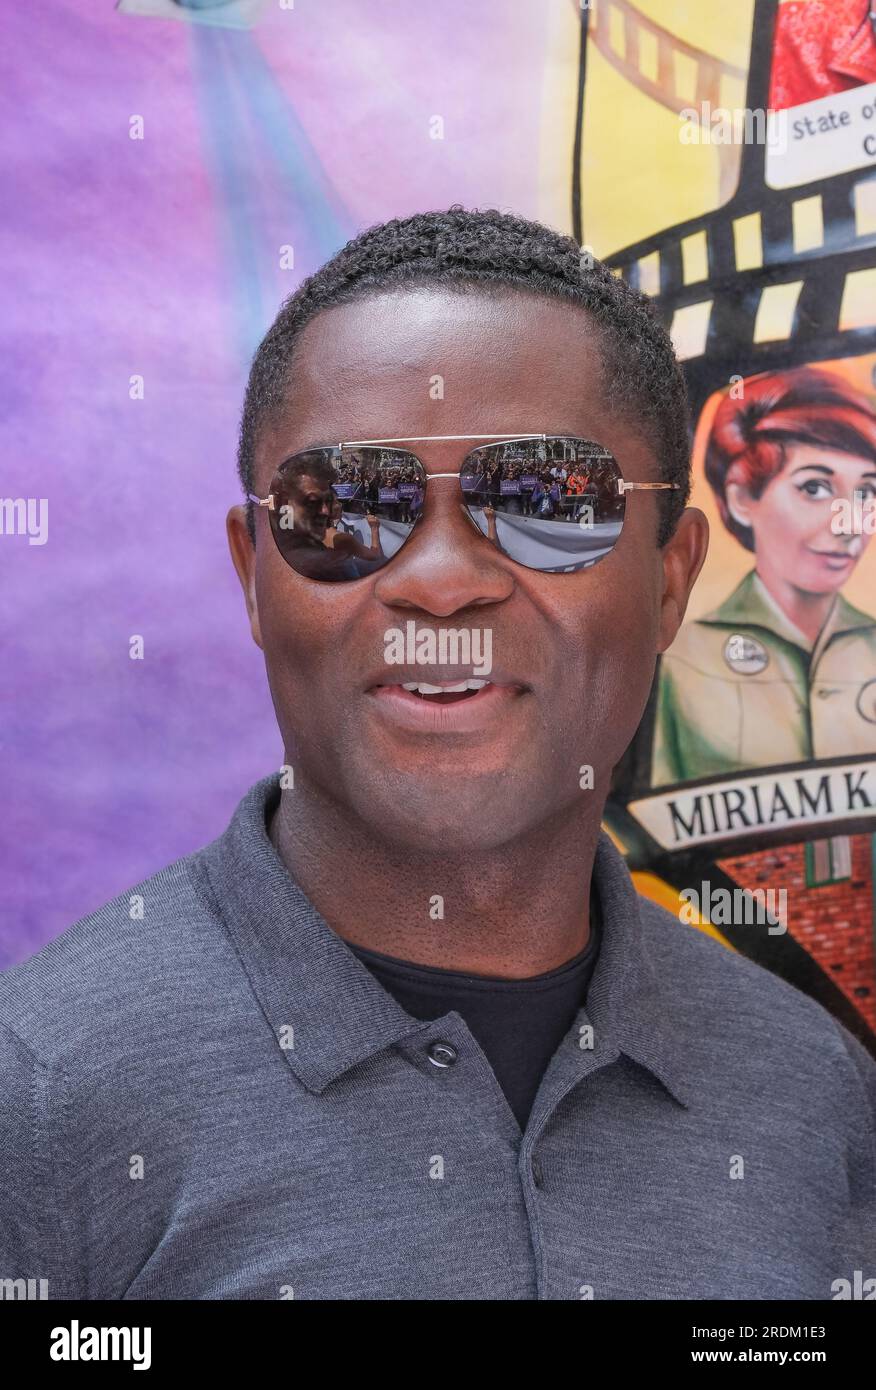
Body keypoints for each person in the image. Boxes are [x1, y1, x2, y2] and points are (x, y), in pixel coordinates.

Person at [1, 209, 873, 1301]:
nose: (443, 582)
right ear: (254, 573)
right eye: (350, 505)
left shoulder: (813, 1092)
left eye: (548, 499)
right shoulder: (38, 1090)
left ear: (668, 578)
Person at [652, 367, 876, 784]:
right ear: (741, 498)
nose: (850, 523)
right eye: (814, 488)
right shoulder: (679, 660)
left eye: (867, 492)